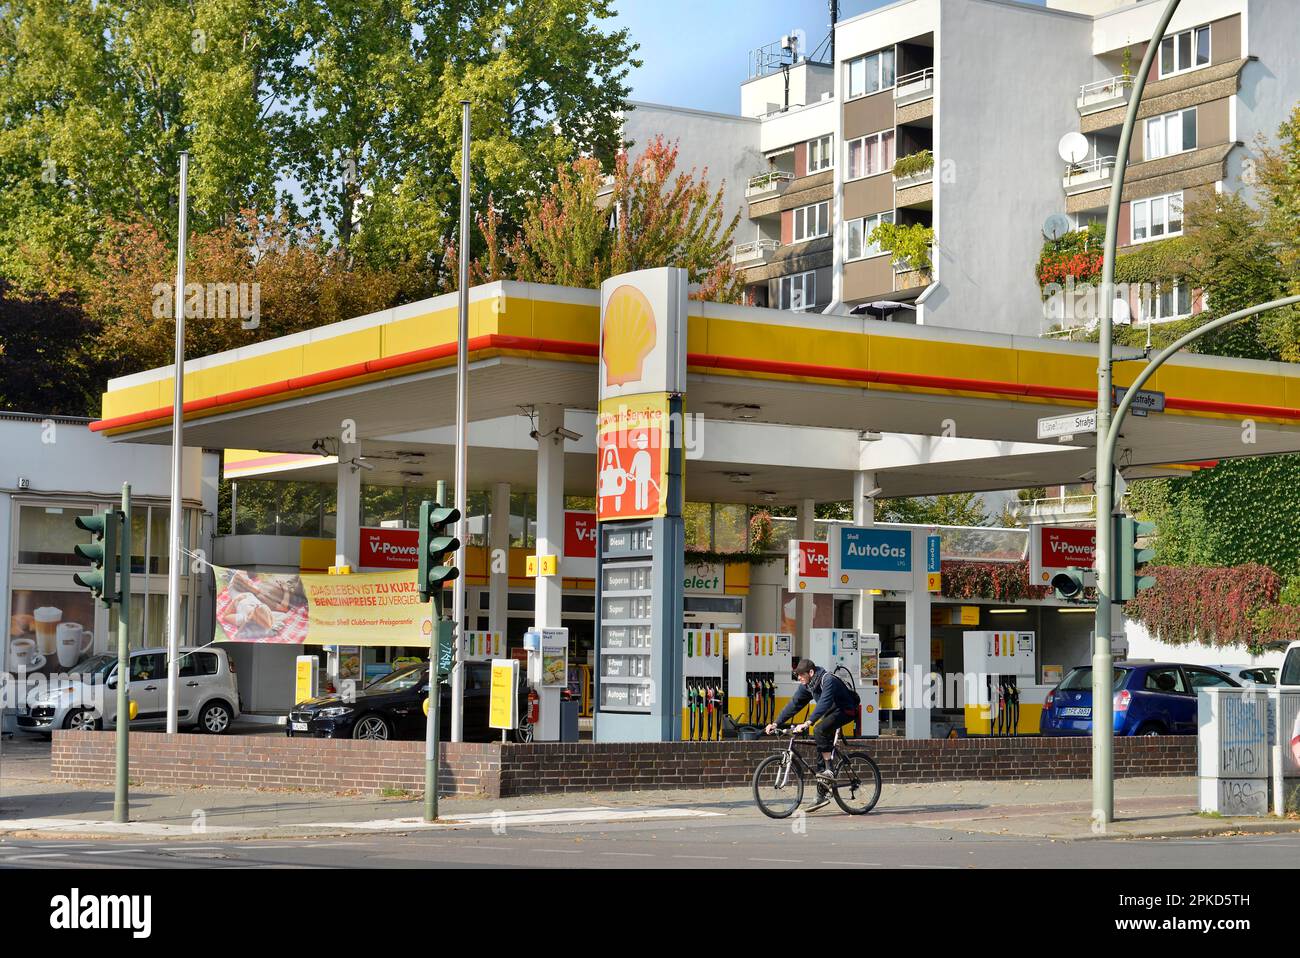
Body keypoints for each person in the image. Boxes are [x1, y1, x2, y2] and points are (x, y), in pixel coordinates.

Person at [766, 658, 858, 812]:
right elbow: (794, 704)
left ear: (811, 672)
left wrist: (808, 722)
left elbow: (824, 703)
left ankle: (829, 769)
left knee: (818, 730)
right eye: (797, 676)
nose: (799, 679)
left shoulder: (828, 680)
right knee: (819, 744)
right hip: (830, 713)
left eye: (801, 675)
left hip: (846, 710)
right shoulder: (808, 685)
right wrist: (776, 723)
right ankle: (821, 795)